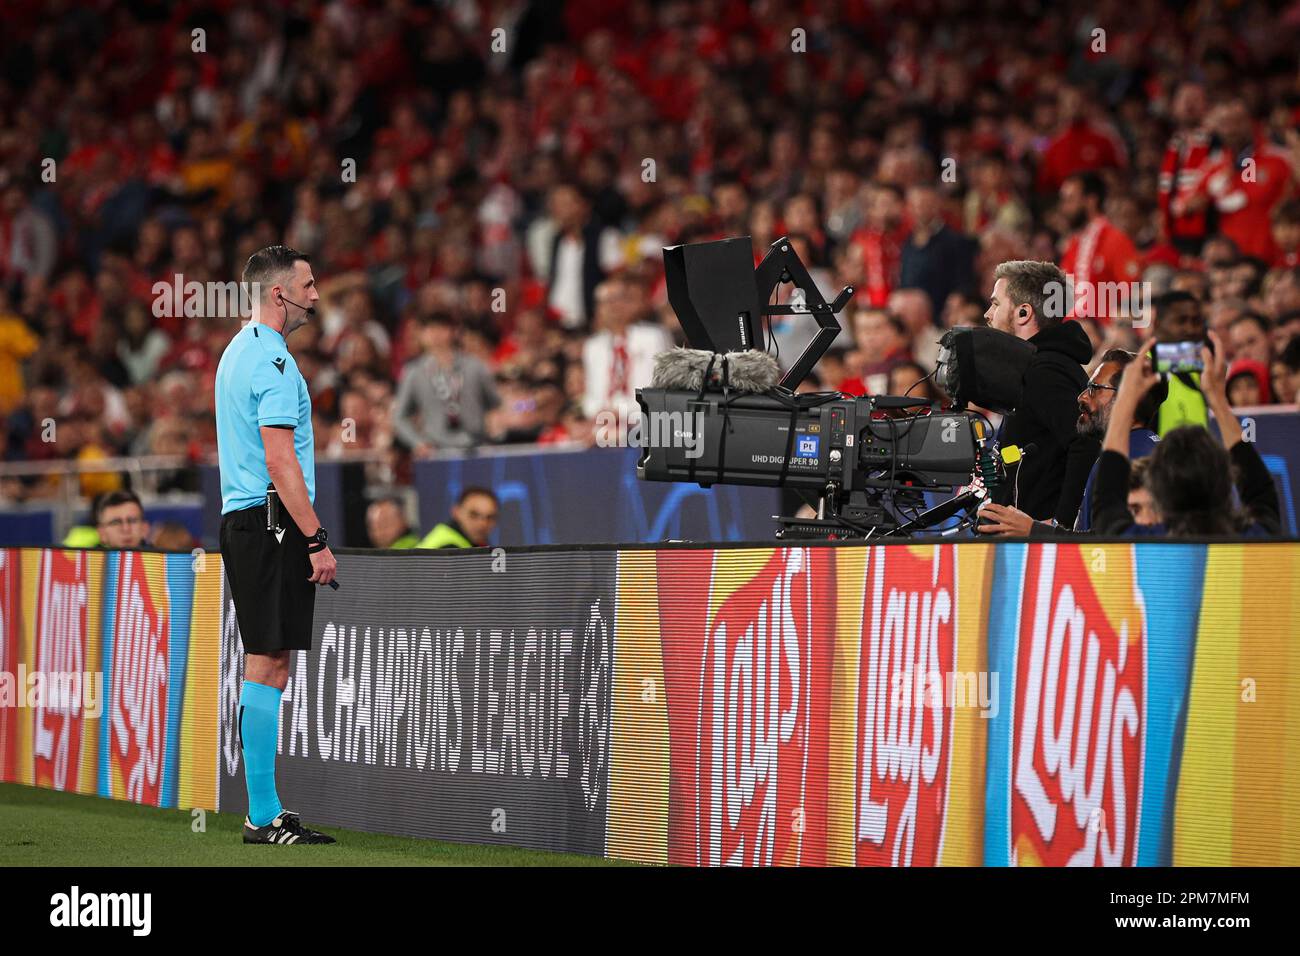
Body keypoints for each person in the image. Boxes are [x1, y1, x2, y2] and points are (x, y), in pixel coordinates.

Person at [214, 244, 336, 846]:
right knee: (269, 662)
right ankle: (262, 815)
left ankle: (264, 812)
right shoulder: (275, 362)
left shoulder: (236, 352)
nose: (316, 295)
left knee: (267, 660)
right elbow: (280, 459)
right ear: (278, 293)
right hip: (272, 523)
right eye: (308, 285)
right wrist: (315, 538)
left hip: (247, 522)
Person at [1093, 331, 1281, 537]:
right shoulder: (1258, 539)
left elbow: (1107, 496)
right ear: (1226, 482)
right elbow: (1260, 490)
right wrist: (1218, 399)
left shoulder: (1137, 545)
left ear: (1157, 491)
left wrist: (1126, 398)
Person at [978, 349, 1164, 535]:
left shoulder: (1134, 460)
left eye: (1095, 388)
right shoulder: (1135, 450)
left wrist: (1032, 530)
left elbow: (1112, 548)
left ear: (1127, 398)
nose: (1082, 396)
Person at [983, 259, 1098, 527]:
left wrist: (1060, 525)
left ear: (1023, 313)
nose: (988, 314)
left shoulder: (1046, 369)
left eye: (996, 303)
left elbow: (1084, 443)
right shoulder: (1036, 365)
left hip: (1038, 548)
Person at [393, 311, 500, 454]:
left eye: (441, 329)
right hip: (436, 450)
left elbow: (496, 405)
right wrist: (417, 443)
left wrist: (494, 432)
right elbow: (400, 417)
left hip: (475, 446)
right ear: (422, 335)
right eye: (430, 330)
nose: (436, 335)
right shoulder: (414, 372)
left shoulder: (474, 366)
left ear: (453, 332)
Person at [417, 486, 499, 548]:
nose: (482, 524)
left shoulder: (470, 543)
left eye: (489, 517)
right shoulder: (449, 549)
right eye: (473, 515)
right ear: (456, 512)